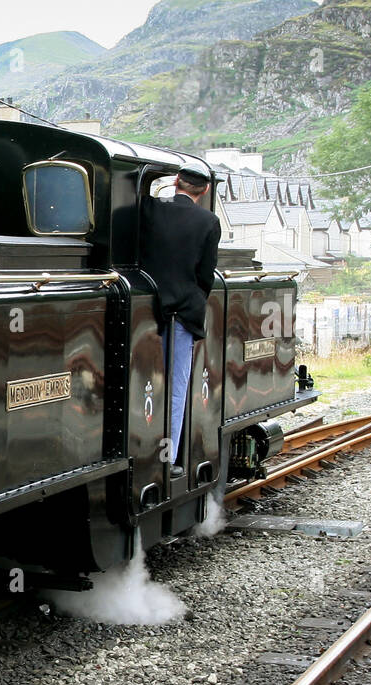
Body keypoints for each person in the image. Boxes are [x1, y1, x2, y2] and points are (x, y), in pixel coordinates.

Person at [138, 163, 221, 476]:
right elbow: (205, 274)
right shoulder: (208, 221)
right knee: (177, 385)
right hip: (183, 312)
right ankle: (168, 459)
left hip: (146, 306)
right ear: (205, 190)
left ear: (176, 182)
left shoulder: (149, 209)